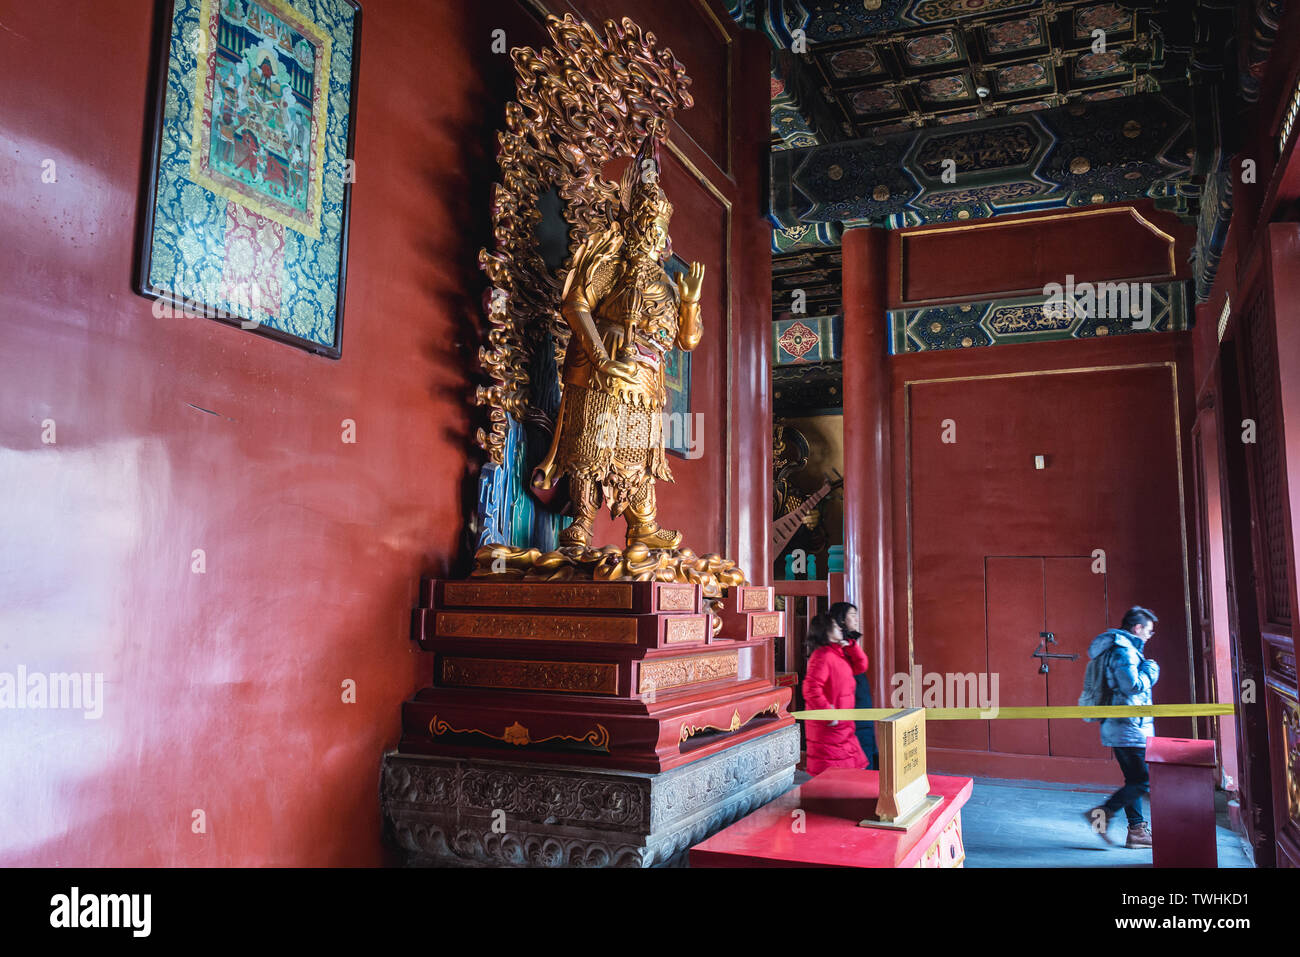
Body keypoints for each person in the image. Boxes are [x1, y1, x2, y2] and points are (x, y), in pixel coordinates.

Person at [1083, 606, 1160, 849]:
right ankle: (1103, 813)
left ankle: (1136, 832)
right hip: (1128, 727)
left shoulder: (1120, 650)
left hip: (1122, 726)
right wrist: (1151, 670)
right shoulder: (1124, 652)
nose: (1150, 635)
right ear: (1137, 628)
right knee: (1143, 781)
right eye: (1149, 631)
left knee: (1134, 780)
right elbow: (1133, 686)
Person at [802, 613, 870, 775]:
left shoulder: (838, 654)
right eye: (834, 625)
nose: (840, 628)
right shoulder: (822, 656)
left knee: (848, 773)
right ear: (825, 630)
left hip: (842, 724)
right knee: (835, 774)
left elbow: (861, 666)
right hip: (830, 727)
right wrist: (828, 713)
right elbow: (811, 688)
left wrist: (852, 647)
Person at [828, 601, 878, 770]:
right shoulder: (833, 645)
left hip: (860, 697)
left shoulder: (850, 642)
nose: (856, 619)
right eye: (852, 615)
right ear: (841, 620)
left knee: (866, 741)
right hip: (848, 704)